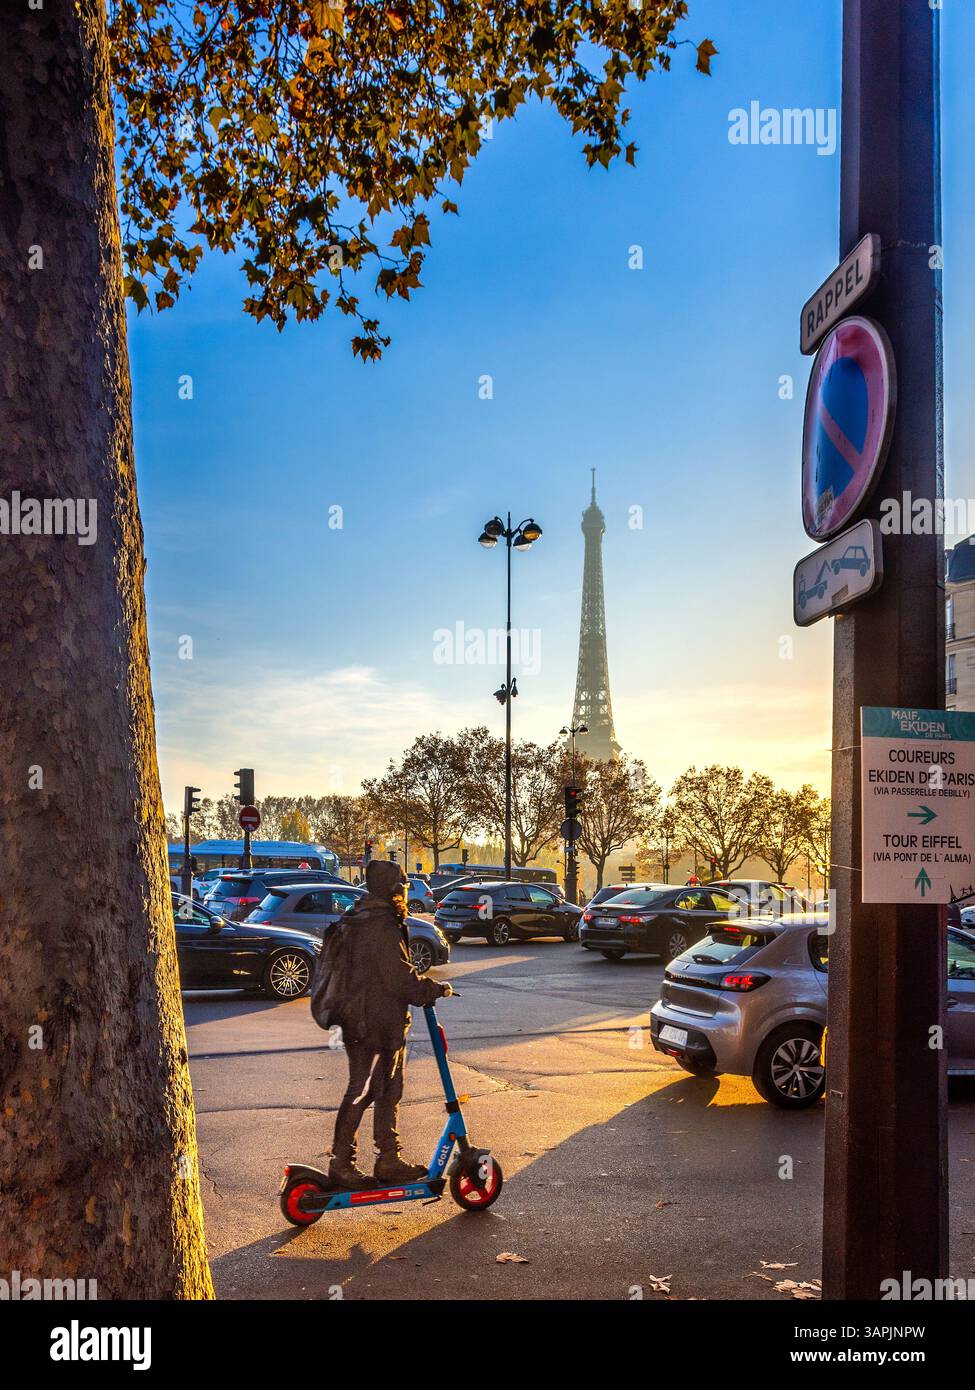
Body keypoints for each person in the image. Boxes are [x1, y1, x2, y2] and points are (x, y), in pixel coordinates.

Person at [325, 859, 451, 1189]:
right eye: (404, 888)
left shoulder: (359, 916)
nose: (406, 894)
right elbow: (398, 978)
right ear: (395, 891)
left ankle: (388, 1159)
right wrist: (432, 989)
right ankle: (342, 1163)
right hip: (374, 1024)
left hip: (365, 1020)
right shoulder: (380, 924)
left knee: (387, 1090)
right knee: (364, 1092)